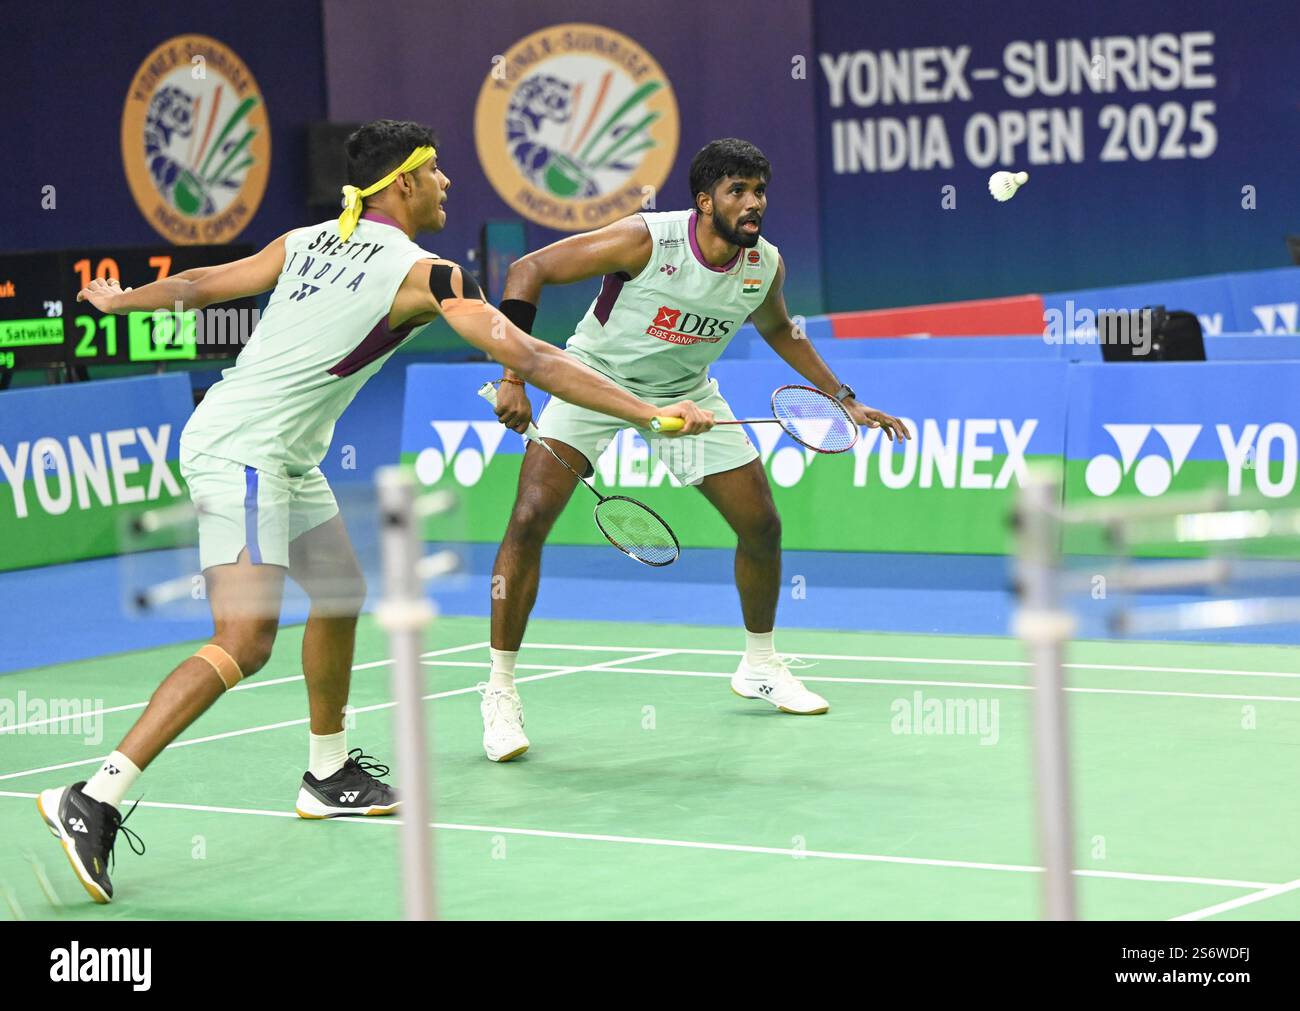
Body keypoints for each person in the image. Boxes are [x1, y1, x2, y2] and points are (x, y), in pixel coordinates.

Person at [36, 119, 712, 903]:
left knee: (340, 593)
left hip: (281, 452)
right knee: (245, 640)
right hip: (243, 451)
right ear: (405, 184)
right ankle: (94, 797)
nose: (450, 185)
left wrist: (124, 302)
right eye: (439, 173)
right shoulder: (432, 276)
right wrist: (647, 411)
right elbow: (529, 356)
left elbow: (196, 286)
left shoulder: (308, 239)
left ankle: (327, 771)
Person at [481, 138, 910, 762]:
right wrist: (514, 376)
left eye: (760, 190)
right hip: (593, 381)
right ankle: (499, 692)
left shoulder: (764, 265)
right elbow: (527, 271)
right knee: (528, 519)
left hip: (688, 397)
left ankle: (760, 665)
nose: (754, 203)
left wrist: (843, 396)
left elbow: (780, 331)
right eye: (738, 191)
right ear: (705, 201)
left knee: (760, 522)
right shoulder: (647, 241)